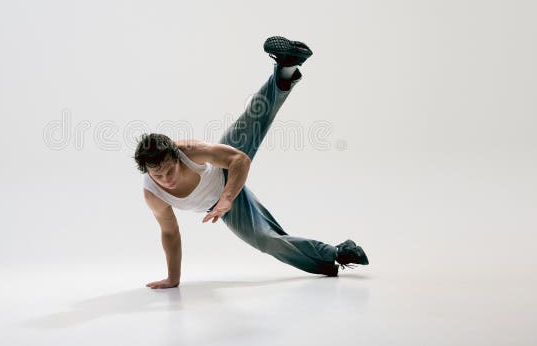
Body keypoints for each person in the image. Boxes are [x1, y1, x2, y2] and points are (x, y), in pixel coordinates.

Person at [135, 36, 369, 289]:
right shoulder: (154, 195)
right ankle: (335, 254)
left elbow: (240, 159)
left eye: (170, 170)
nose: (166, 179)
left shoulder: (189, 151)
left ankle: (287, 66)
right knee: (266, 240)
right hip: (220, 202)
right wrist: (173, 279)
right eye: (158, 176)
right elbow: (170, 233)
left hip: (228, 170)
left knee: (254, 117)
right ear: (147, 172)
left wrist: (227, 197)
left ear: (177, 157)